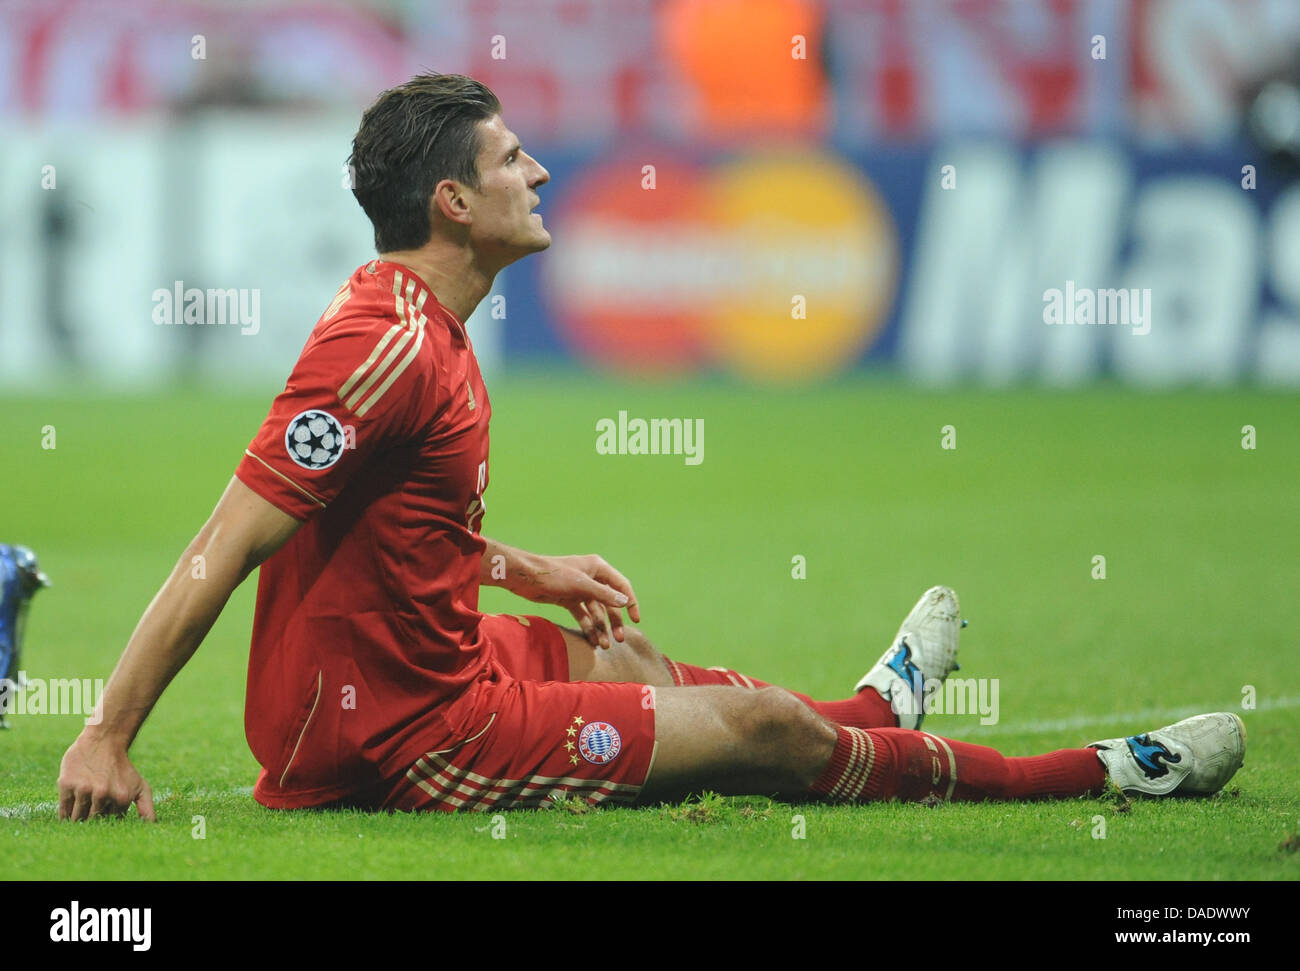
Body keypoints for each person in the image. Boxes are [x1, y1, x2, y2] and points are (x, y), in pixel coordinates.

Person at [55, 74, 1245, 821]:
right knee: (761, 736)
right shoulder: (387, 346)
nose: (539, 169)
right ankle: (1100, 773)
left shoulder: (426, 329)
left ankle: (871, 708)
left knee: (656, 669)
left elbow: (381, 511)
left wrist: (521, 568)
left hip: (438, 659)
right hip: (400, 733)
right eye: (511, 158)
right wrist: (107, 734)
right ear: (452, 206)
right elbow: (224, 544)